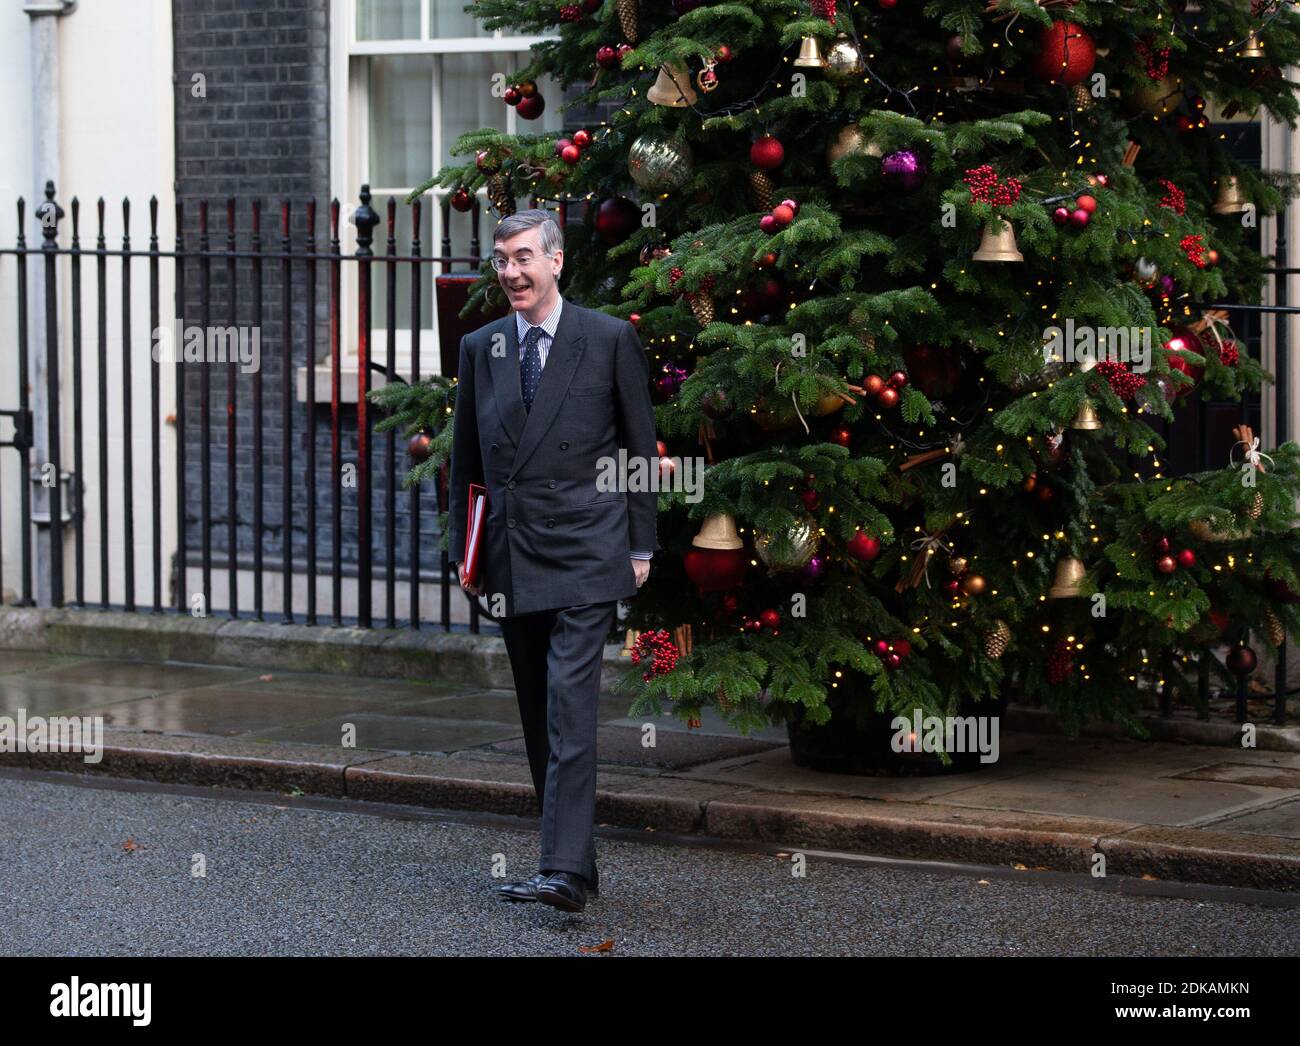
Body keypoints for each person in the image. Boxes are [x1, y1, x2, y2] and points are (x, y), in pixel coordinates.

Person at [446, 208, 659, 912]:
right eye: (501, 260)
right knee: (539, 712)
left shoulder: (608, 339)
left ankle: (561, 869)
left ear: (556, 261)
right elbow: (466, 463)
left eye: (523, 257)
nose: (510, 271)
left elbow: (638, 449)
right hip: (511, 554)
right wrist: (464, 550)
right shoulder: (481, 348)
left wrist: (639, 544)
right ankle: (574, 862)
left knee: (570, 703)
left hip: (588, 548)